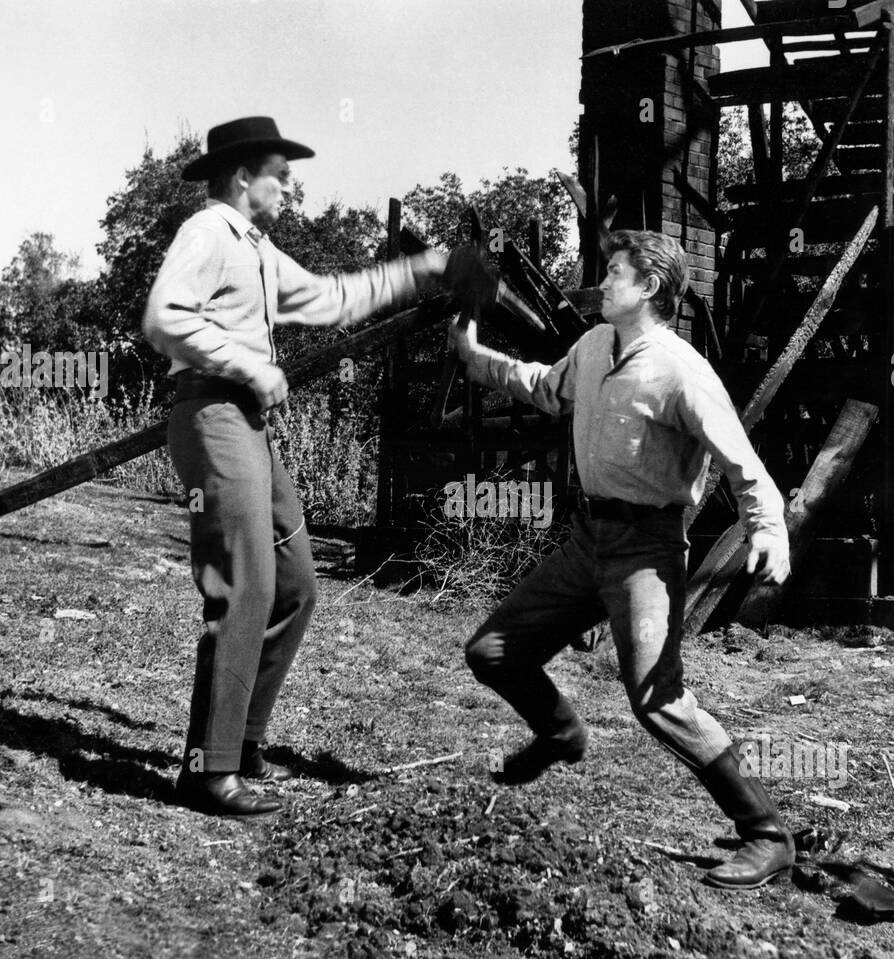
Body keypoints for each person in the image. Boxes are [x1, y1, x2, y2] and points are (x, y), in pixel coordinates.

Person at [450, 230, 795, 889]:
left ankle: (766, 834)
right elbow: (544, 388)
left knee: (656, 698)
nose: (602, 283)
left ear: (650, 289)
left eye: (614, 273)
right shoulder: (592, 346)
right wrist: (477, 359)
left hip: (646, 549)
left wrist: (768, 525)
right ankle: (560, 734)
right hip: (588, 540)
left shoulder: (680, 370)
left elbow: (740, 460)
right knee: (492, 652)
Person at [144, 116, 445, 816]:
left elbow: (333, 299)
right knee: (246, 581)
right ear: (242, 177)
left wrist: (424, 271)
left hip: (244, 421)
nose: (289, 182)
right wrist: (248, 363)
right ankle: (205, 768)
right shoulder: (208, 232)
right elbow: (163, 317)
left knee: (297, 584)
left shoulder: (256, 249)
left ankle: (241, 743)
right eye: (279, 171)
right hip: (211, 413)